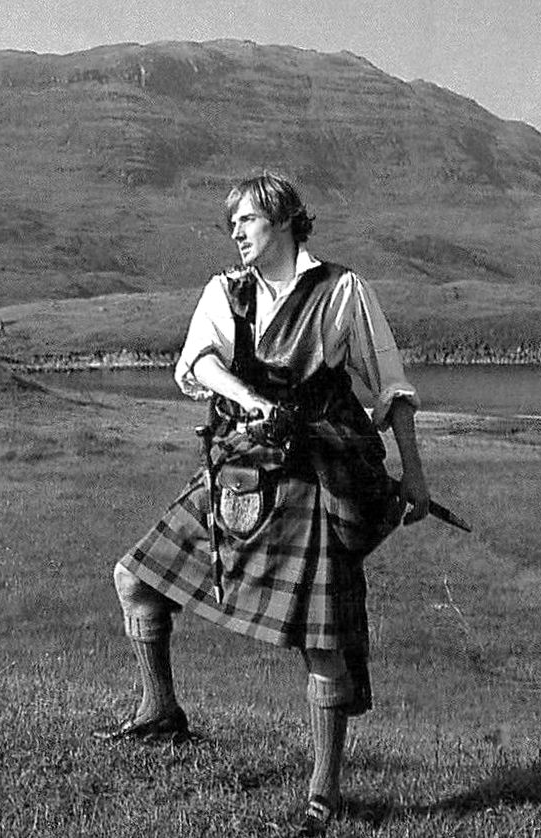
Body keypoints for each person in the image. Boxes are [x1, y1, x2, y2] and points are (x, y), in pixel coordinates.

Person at [92, 173, 432, 835]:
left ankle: (323, 796)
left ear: (283, 220)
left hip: (315, 475)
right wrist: (251, 402)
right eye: (233, 225)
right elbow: (199, 364)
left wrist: (414, 477)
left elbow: (391, 392)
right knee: (135, 579)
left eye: (247, 220)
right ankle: (160, 710)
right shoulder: (226, 292)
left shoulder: (343, 291)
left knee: (324, 641)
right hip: (240, 469)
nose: (237, 234)